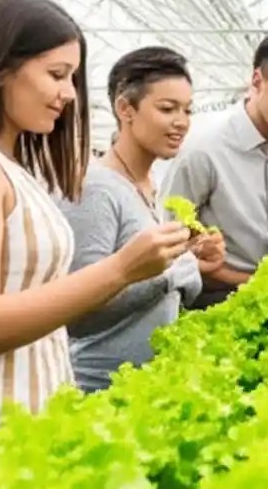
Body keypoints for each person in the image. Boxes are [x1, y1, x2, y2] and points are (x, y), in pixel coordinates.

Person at [0, 0, 191, 471]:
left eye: (71, 77)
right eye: (56, 75)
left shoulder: (6, 165)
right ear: (0, 68)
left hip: (22, 419)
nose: (69, 94)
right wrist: (120, 269)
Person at [58, 46, 225, 392]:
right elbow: (78, 313)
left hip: (146, 388)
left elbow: (149, 281)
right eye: (167, 109)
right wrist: (169, 274)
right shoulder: (95, 188)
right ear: (125, 109)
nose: (181, 121)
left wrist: (192, 260)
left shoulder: (153, 187)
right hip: (99, 390)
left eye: (187, 110)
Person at [165, 30, 268, 308]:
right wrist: (248, 282)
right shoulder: (204, 148)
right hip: (210, 302)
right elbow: (170, 246)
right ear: (257, 81)